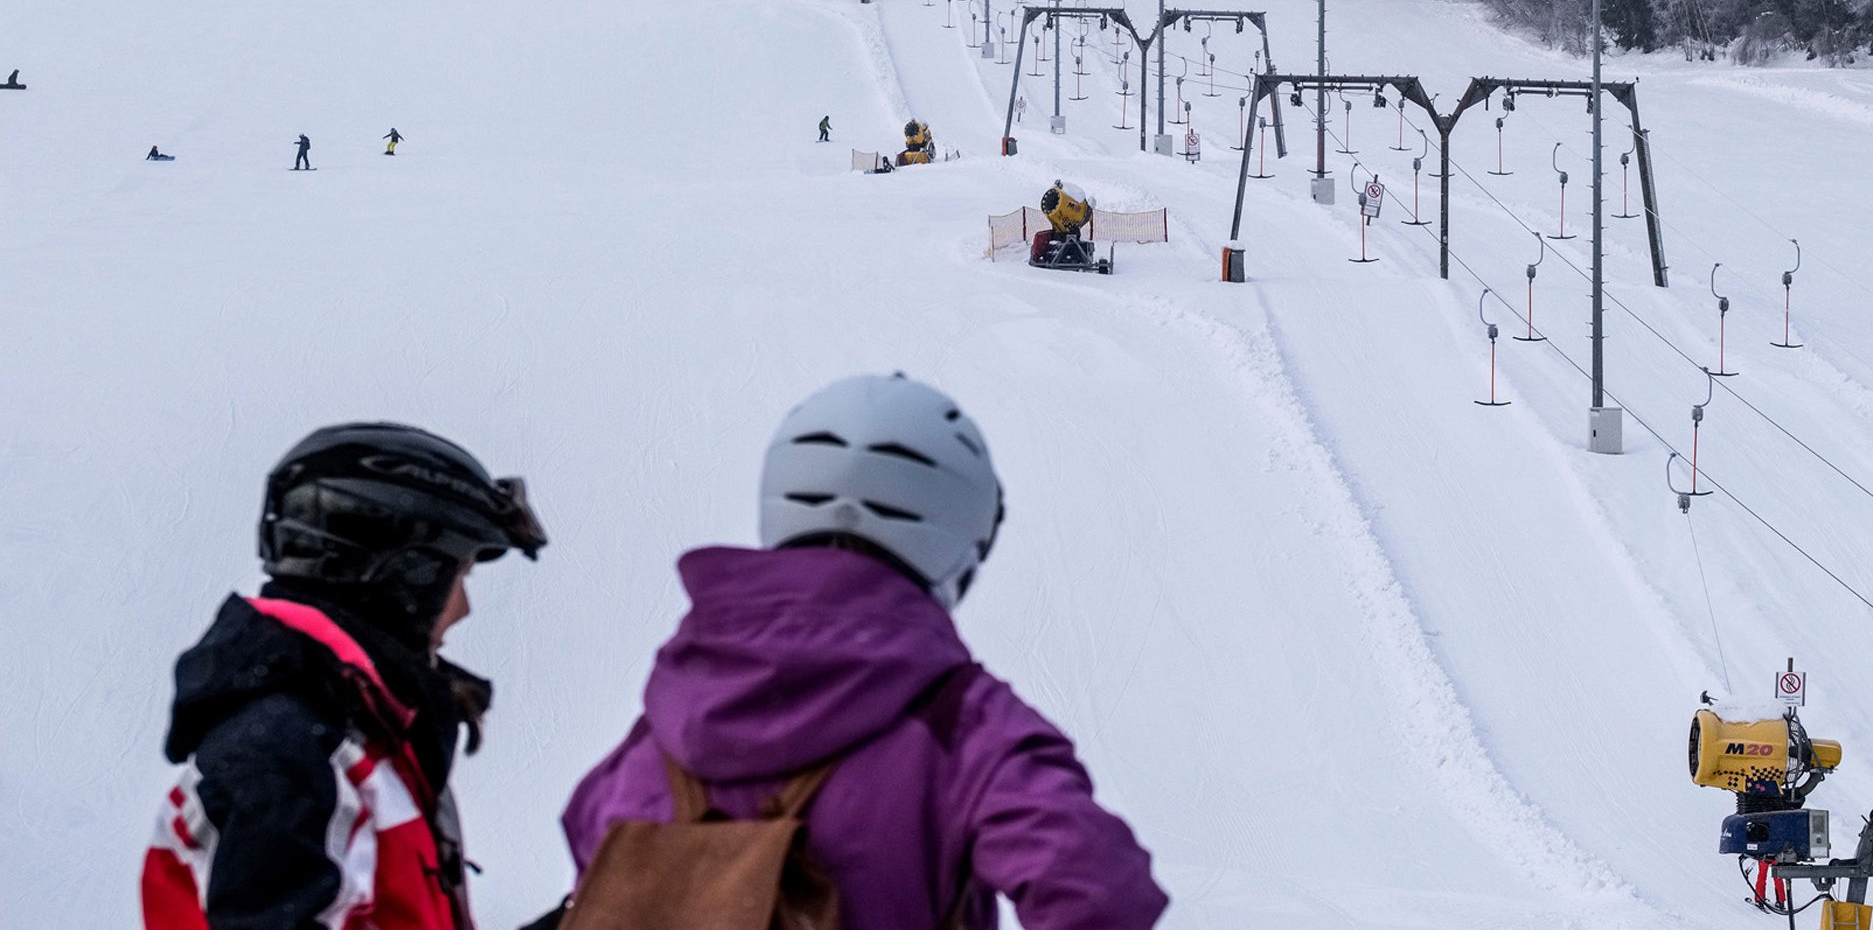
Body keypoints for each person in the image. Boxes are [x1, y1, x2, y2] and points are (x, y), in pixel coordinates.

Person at [556, 375, 1165, 930]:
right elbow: (1100, 891)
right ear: (959, 533)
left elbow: (587, 840)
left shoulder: (664, 724)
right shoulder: (961, 723)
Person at [143, 423, 548, 930]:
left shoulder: (357, 743)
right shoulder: (282, 757)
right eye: (460, 576)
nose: (464, 610)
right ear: (406, 575)